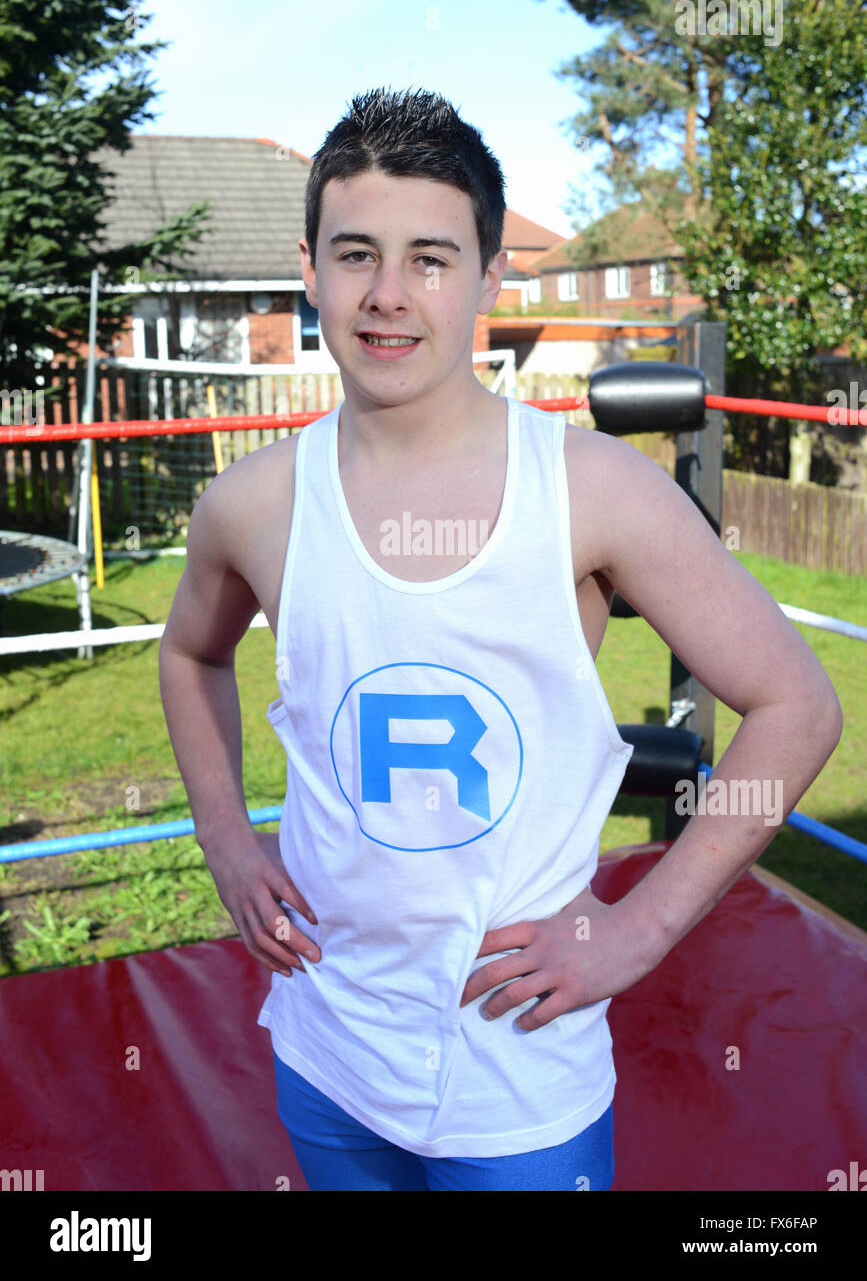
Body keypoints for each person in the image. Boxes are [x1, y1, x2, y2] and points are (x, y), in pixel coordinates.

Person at [158, 86, 843, 1192]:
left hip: (520, 1073)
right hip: (330, 1047)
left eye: (430, 258)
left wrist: (644, 927)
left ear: (489, 275)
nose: (387, 295)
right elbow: (189, 655)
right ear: (308, 266)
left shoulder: (592, 490)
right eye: (355, 255)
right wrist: (229, 840)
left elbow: (798, 705)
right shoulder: (253, 503)